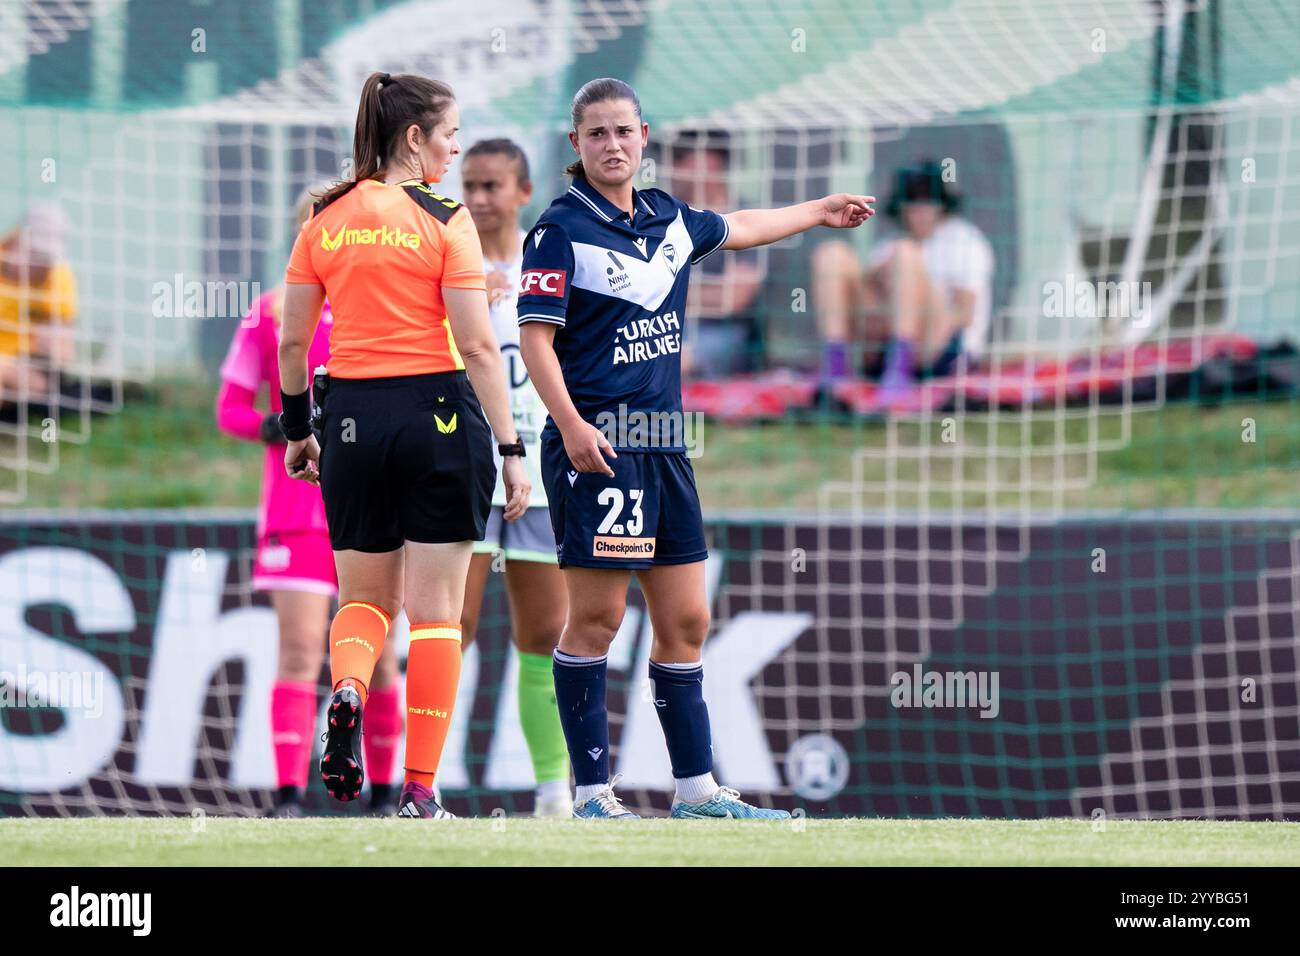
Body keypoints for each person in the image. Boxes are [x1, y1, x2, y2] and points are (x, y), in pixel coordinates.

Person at [517, 77, 873, 819]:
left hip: (665, 448)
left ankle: (697, 792)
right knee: (598, 622)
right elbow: (535, 341)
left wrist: (818, 211)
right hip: (599, 449)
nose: (612, 146)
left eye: (624, 132)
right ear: (575, 148)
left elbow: (738, 225)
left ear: (644, 137)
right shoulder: (558, 230)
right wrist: (573, 425)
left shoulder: (668, 218)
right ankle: (590, 796)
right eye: (596, 135)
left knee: (685, 621)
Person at [278, 71, 528, 821]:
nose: (455, 150)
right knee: (437, 617)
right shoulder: (446, 217)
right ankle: (419, 789)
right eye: (449, 135)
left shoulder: (324, 217)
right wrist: (512, 448)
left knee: (362, 602)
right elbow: (481, 347)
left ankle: (349, 688)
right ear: (414, 138)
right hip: (438, 414)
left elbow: (294, 343)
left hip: (350, 414)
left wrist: (300, 431)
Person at [215, 185, 404, 818]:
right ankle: (289, 799)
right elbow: (230, 410)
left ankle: (386, 798)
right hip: (297, 515)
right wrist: (289, 427)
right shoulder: (270, 313)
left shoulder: (386, 313)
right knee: (300, 652)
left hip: (376, 508)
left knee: (379, 663)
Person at [458, 138, 572, 818]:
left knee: (544, 634)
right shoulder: (447, 262)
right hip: (469, 466)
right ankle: (426, 782)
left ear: (523, 191)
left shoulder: (550, 259)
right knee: (452, 626)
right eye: (468, 185)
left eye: (491, 186)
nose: (477, 198)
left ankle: (553, 791)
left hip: (543, 468)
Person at [812, 159, 994, 409]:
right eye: (911, 200)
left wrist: (913, 288)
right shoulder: (888, 245)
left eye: (927, 199)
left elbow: (965, 316)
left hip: (941, 350)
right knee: (832, 253)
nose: (919, 209)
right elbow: (867, 305)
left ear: (942, 204)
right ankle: (836, 370)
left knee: (906, 253)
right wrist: (882, 277)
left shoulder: (965, 241)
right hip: (881, 350)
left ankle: (901, 366)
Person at [667, 134, 762, 378]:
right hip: (667, 324)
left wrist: (668, 291)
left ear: (710, 161)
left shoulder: (746, 217)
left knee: (674, 360)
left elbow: (734, 299)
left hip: (726, 333)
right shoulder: (663, 216)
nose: (669, 166)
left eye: (679, 157)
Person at [0, 202, 77, 401]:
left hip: (27, 370)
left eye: (48, 258)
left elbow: (64, 350)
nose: (44, 266)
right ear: (17, 239)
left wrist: (53, 348)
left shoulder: (58, 277)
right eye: (38, 255)